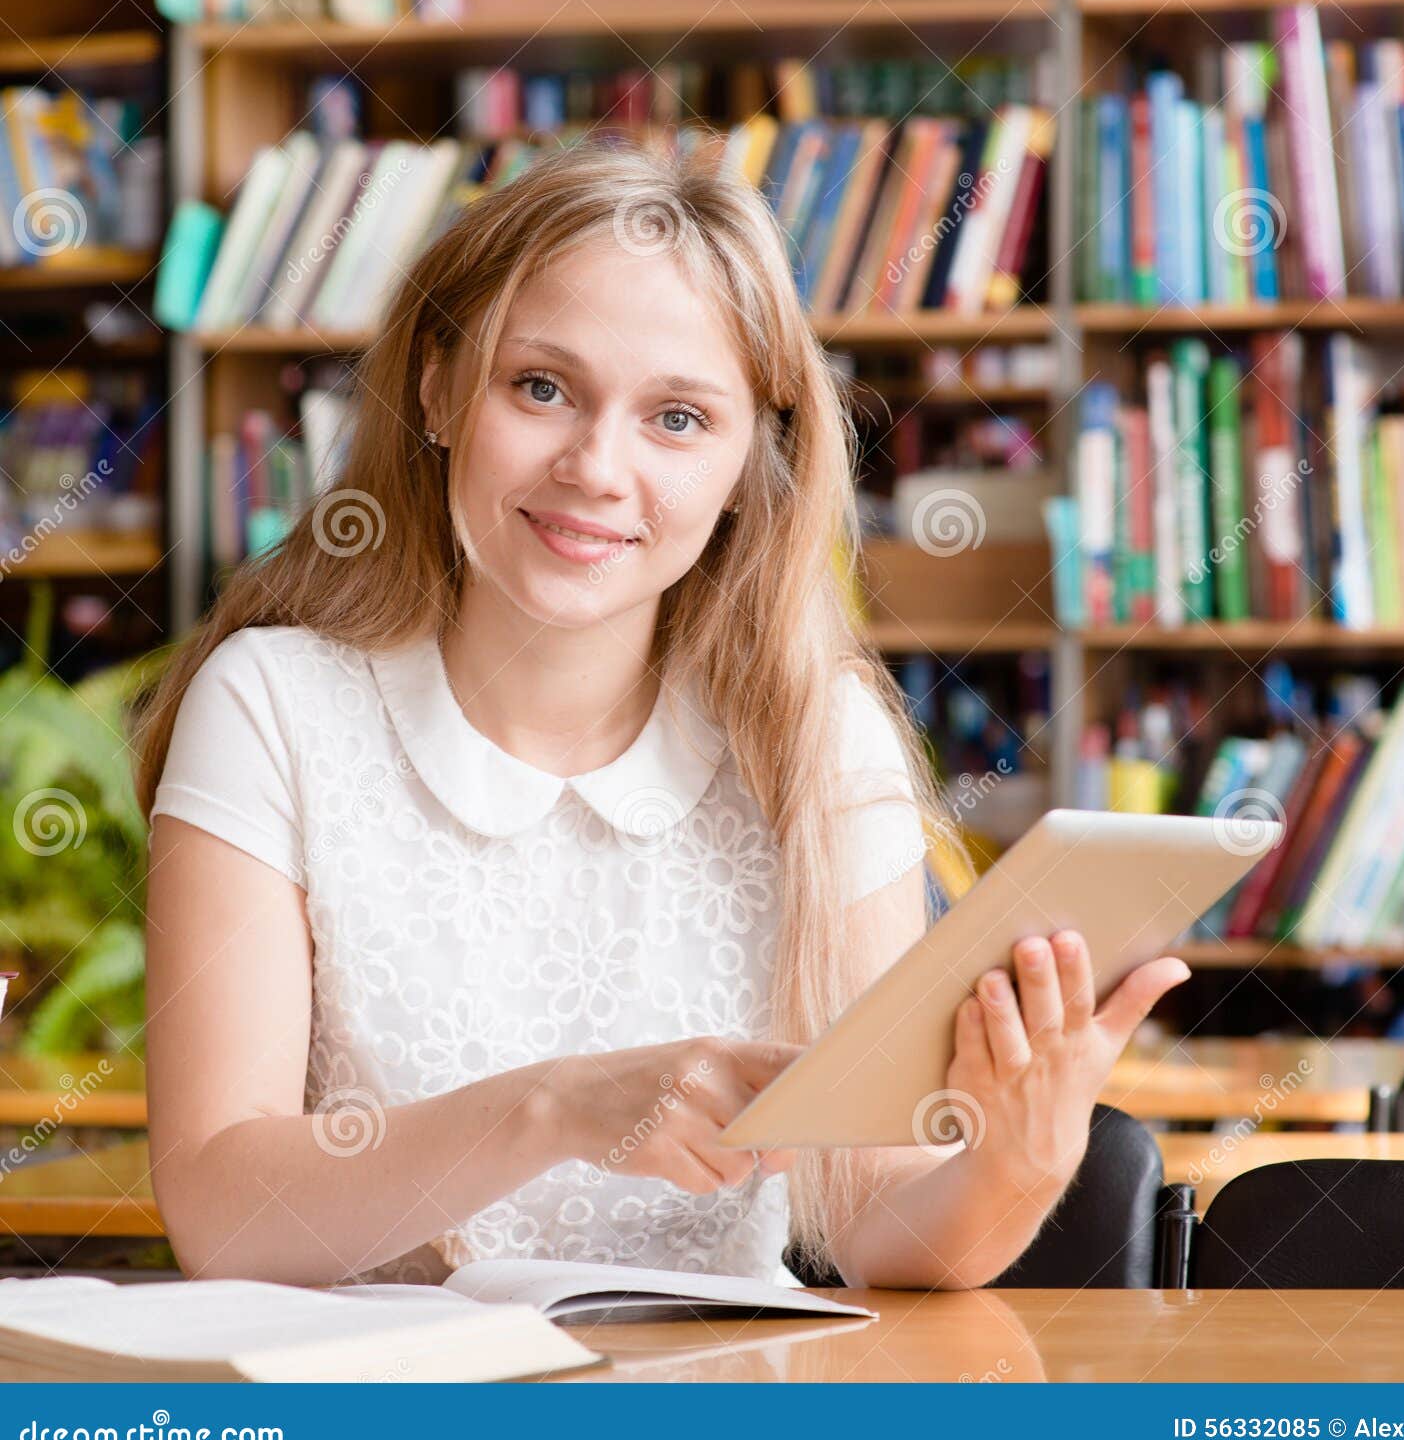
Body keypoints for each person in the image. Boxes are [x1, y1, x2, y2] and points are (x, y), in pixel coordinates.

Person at [135, 138, 1189, 1291]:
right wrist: (557, 1107)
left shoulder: (815, 736)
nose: (596, 466)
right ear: (437, 389)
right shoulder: (275, 705)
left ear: (748, 461)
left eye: (677, 418)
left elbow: (882, 1226)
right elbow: (226, 1218)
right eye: (540, 387)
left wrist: (1023, 1158)